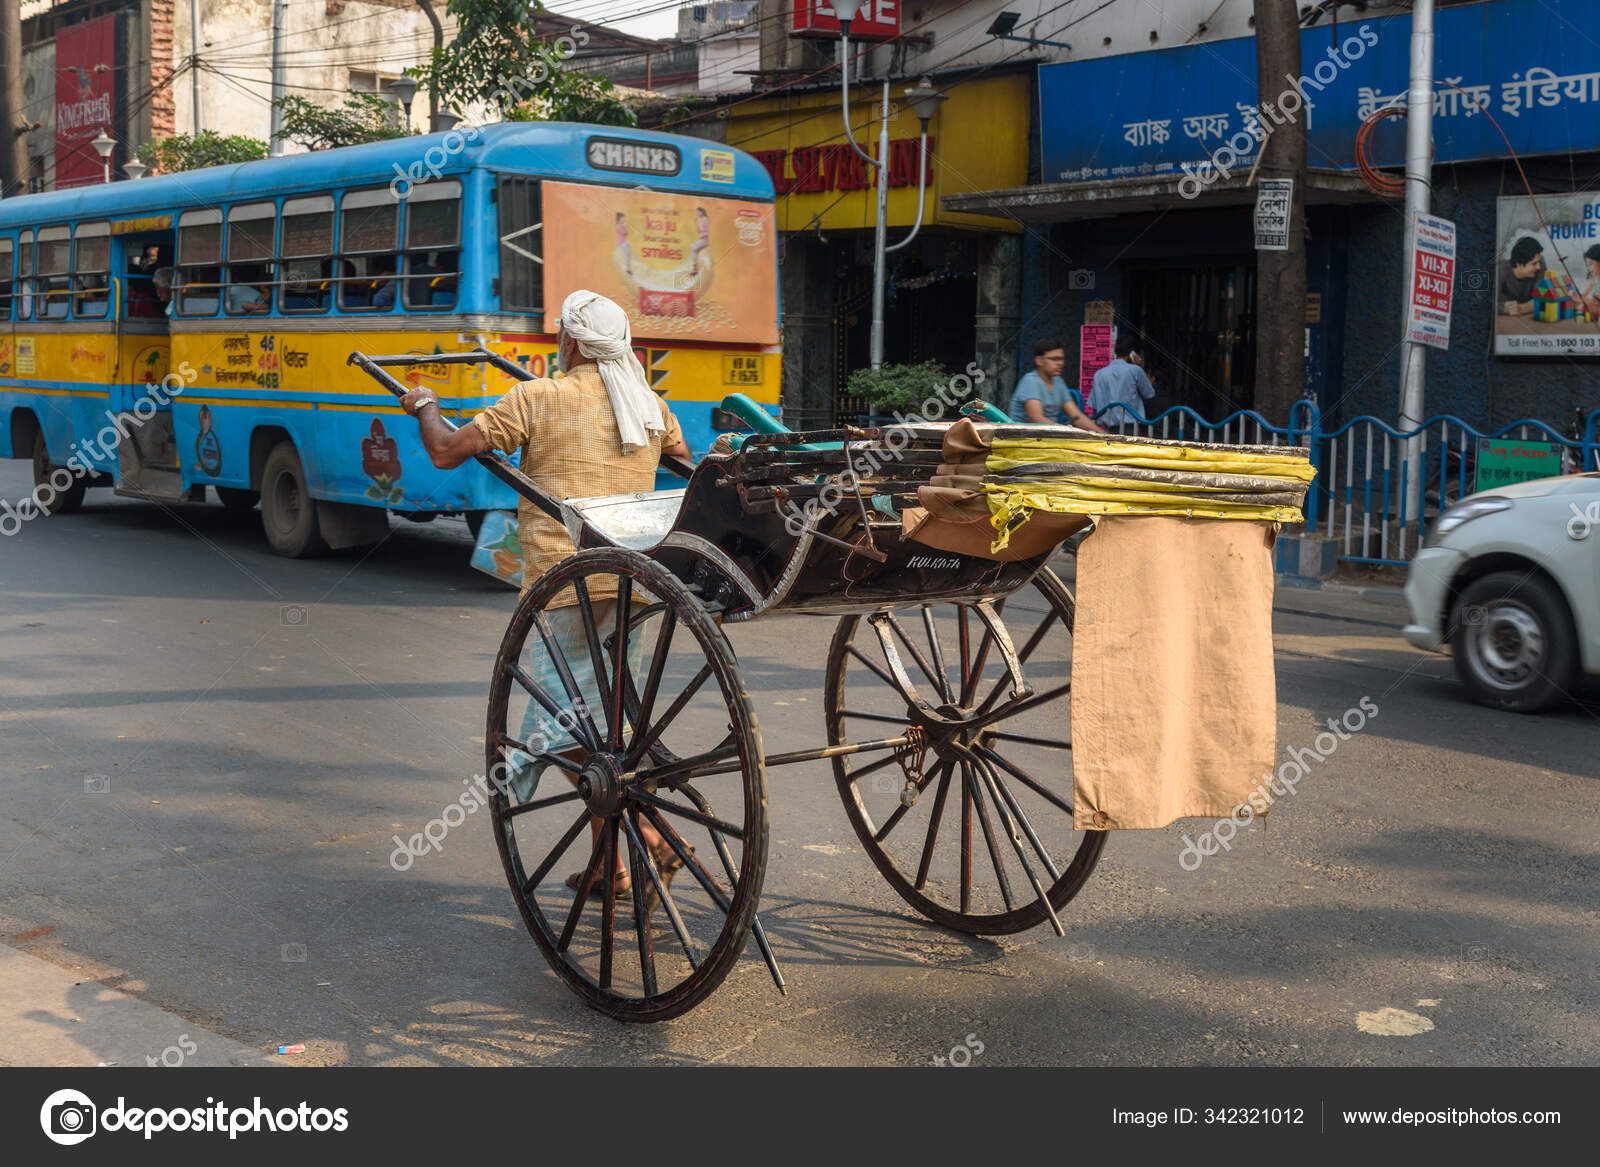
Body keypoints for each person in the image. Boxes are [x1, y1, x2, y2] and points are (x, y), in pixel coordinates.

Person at [403, 289, 692, 898]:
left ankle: (659, 835)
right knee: (609, 725)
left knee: (567, 730)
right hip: (636, 581)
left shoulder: (535, 397)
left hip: (567, 586)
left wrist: (425, 404)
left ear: (570, 341)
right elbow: (685, 464)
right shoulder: (650, 406)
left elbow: (445, 449)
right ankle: (609, 867)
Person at [1007, 339, 1104, 431]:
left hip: (1047, 438)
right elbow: (1036, 419)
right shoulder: (1030, 381)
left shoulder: (1058, 382)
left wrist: (1103, 434)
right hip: (1024, 439)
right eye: (1054, 359)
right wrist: (1066, 431)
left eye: (1062, 359)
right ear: (1039, 360)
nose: (1060, 363)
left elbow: (1076, 416)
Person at [1088, 335, 1155, 423]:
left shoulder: (1099, 374)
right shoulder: (1136, 371)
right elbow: (1149, 394)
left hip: (1106, 429)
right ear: (1132, 353)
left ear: (1115, 349)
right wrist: (1139, 366)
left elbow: (1093, 405)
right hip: (1130, 428)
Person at [1499, 236, 1544, 317]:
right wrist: (1502, 308)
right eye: (1534, 264)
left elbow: (1541, 298)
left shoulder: (1540, 264)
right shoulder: (1499, 271)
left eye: (1538, 262)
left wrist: (1521, 308)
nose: (1538, 267)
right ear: (1519, 264)